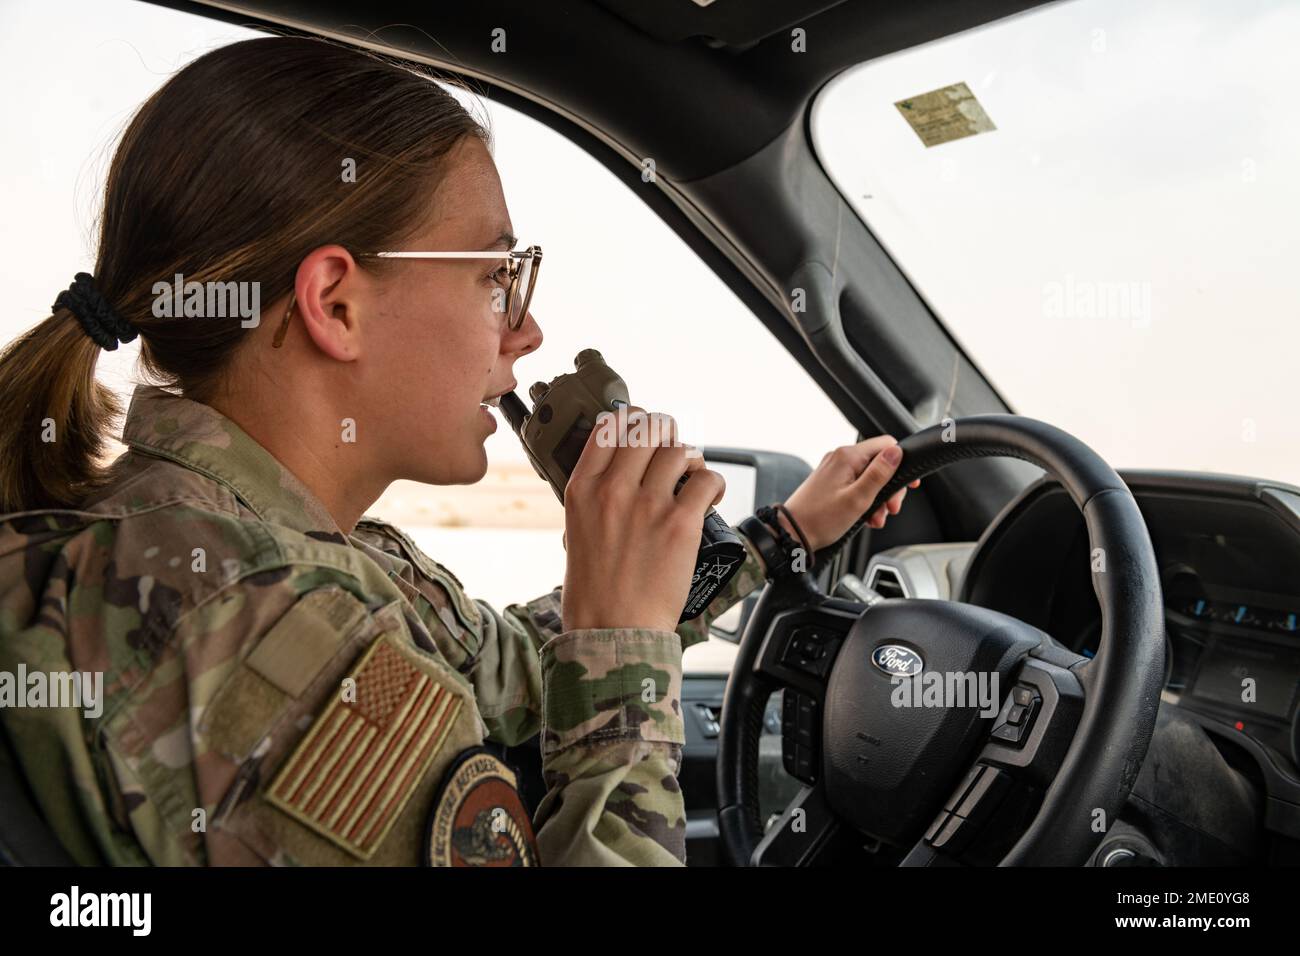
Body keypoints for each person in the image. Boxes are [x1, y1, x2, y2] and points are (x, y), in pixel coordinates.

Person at [0, 36, 915, 866]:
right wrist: (624, 646)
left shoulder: (308, 552)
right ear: (336, 304)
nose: (526, 330)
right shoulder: (267, 626)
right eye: (494, 278)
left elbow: (518, 666)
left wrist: (774, 536)